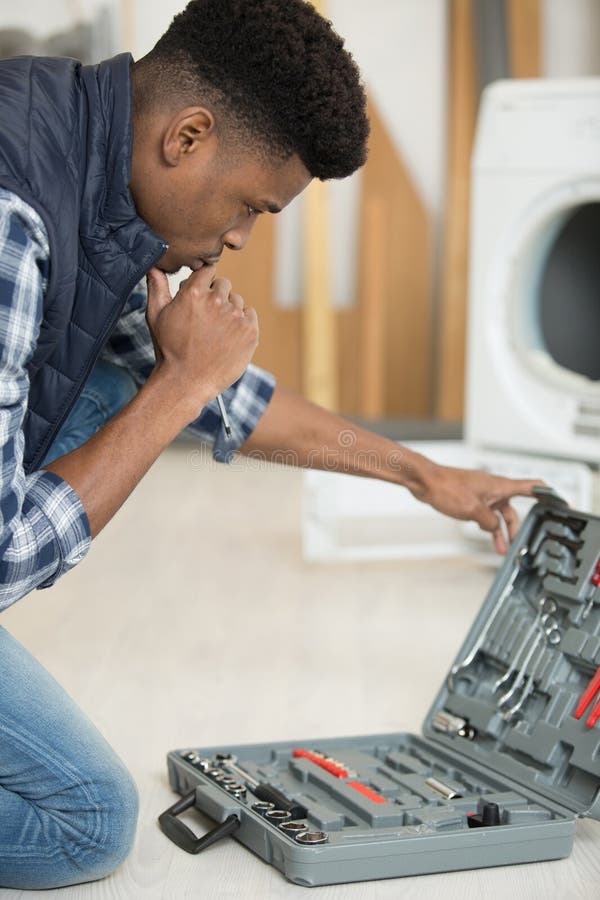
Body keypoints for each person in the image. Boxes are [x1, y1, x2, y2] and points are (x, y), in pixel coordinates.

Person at [0, 0, 541, 888]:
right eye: (252, 205)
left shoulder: (90, 161)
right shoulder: (15, 215)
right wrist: (181, 386)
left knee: (119, 382)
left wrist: (422, 473)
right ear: (190, 136)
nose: (242, 239)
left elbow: (231, 403)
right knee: (86, 819)